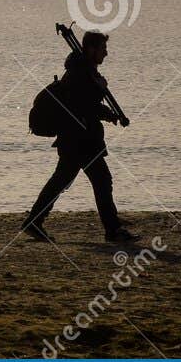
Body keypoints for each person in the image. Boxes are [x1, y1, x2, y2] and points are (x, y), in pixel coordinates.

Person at [22, 29, 136, 244]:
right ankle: (113, 230)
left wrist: (107, 111)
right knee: (101, 181)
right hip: (80, 140)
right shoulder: (79, 73)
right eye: (103, 48)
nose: (106, 53)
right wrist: (101, 94)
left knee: (62, 180)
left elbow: (86, 105)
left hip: (76, 138)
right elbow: (83, 106)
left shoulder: (81, 71)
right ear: (92, 49)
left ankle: (34, 222)